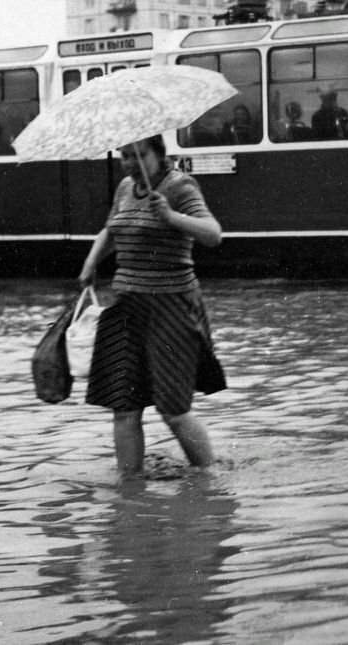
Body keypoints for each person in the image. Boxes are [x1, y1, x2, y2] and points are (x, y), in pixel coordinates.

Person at [78, 134, 224, 477]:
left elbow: (213, 234)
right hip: (127, 307)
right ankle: (129, 487)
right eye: (123, 155)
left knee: (173, 408)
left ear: (158, 152)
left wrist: (172, 216)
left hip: (171, 308)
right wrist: (91, 264)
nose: (129, 162)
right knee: (124, 405)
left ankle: (208, 478)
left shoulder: (180, 186)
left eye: (137, 154)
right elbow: (112, 230)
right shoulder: (126, 188)